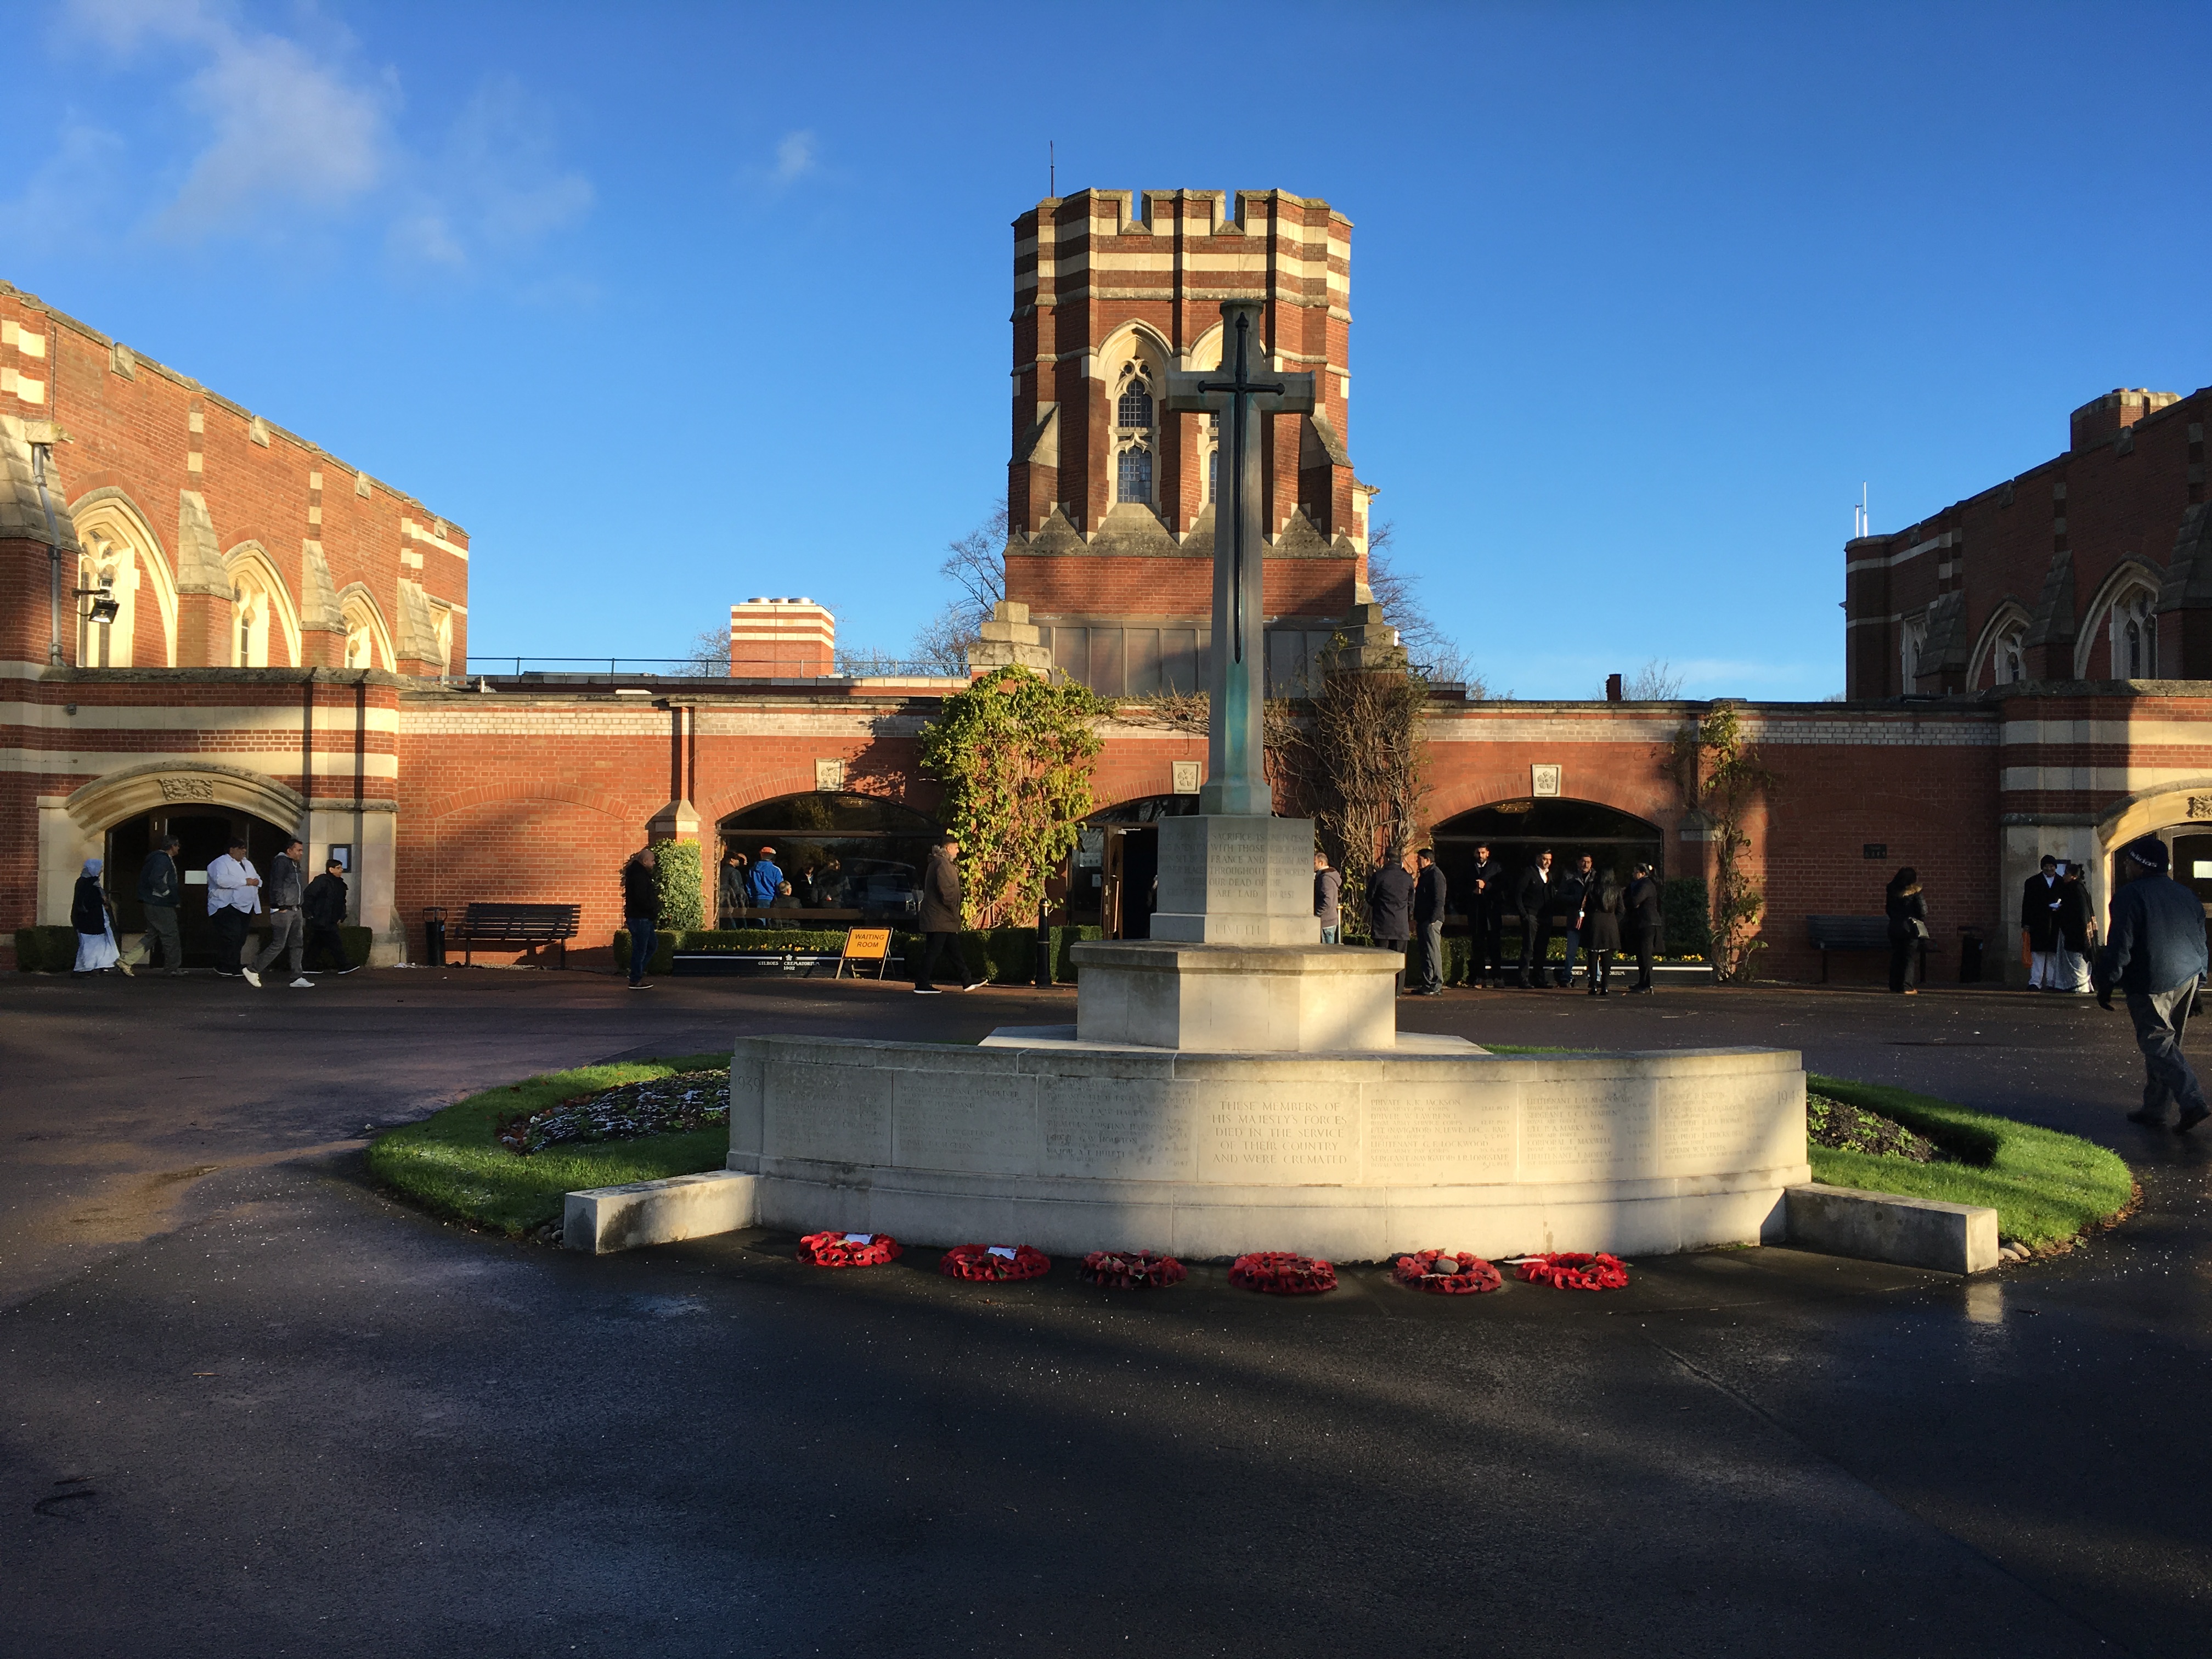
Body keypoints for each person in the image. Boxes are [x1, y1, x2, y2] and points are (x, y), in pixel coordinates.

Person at [2096, 834, 2210, 1133]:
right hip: (2188, 974)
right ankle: (2155, 1108)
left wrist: (2106, 981)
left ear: (2141, 865)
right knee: (2168, 1045)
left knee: (2157, 1043)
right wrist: (2199, 983)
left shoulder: (2129, 895)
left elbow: (2120, 944)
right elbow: (2201, 941)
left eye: (2130, 861)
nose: (2127, 865)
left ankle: (2192, 1100)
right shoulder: (2186, 895)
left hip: (2151, 978)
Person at [915, 835, 985, 993]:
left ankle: (966, 980)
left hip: (941, 917)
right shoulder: (942, 864)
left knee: (953, 950)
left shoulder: (940, 863)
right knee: (934, 950)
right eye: (956, 847)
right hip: (941, 917)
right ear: (948, 849)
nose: (958, 851)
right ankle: (922, 983)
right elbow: (946, 891)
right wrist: (953, 908)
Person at [245, 838, 313, 989]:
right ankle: (252, 969)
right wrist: (281, 905)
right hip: (285, 910)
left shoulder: (294, 863)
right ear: (289, 850)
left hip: (295, 908)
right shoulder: (282, 862)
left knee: (297, 944)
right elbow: (277, 884)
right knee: (279, 944)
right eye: (299, 850)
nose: (301, 853)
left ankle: (297, 976)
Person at [123, 834, 185, 975]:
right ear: (172, 846)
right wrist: (168, 894)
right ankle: (172, 968)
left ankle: (126, 961)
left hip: (152, 902)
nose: (179, 848)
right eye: (177, 846)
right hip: (160, 904)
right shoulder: (163, 860)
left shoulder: (156, 859)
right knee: (171, 935)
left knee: (153, 934)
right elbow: (156, 879)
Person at [206, 837, 262, 978]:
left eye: (245, 848)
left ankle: (233, 965)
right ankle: (225, 966)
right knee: (232, 936)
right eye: (240, 848)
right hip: (226, 905)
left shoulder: (247, 864)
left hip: (246, 906)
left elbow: (256, 878)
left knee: (241, 937)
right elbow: (221, 880)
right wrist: (245, 882)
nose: (244, 851)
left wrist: (256, 881)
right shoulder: (219, 862)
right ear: (231, 850)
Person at [1367, 849, 1416, 994]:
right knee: (1400, 960)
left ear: (1387, 859)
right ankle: (1398, 990)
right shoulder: (1407, 878)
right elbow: (1411, 901)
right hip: (1401, 925)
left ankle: (1382, 990)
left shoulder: (1379, 876)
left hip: (1382, 924)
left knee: (1381, 960)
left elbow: (1370, 897)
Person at [71, 857, 125, 974]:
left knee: (91, 945)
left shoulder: (87, 882)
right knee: (91, 946)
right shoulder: (89, 884)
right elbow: (89, 902)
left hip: (90, 921)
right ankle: (85, 969)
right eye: (100, 868)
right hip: (89, 921)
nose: (101, 870)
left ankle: (85, 968)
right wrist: (102, 902)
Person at [303, 857, 354, 973]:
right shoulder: (322, 881)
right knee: (335, 942)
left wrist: (341, 916)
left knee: (317, 943)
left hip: (330, 918)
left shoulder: (340, 884)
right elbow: (309, 895)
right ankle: (344, 965)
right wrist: (308, 913)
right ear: (331, 869)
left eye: (341, 868)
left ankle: (308, 966)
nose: (341, 870)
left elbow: (341, 902)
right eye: (338, 868)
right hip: (321, 917)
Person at [1514, 849, 1556, 989]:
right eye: (1545, 859)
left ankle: (1539, 978)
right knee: (1529, 948)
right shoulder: (1529, 872)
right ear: (1538, 858)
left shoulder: (1550, 875)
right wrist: (1524, 915)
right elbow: (1518, 894)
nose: (1547, 862)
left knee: (1541, 949)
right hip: (1531, 915)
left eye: (1549, 859)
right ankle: (1523, 979)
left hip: (1545, 916)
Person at [2020, 855, 2063, 991]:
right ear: (2042, 867)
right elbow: (2026, 903)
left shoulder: (2062, 882)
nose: (2049, 868)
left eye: (2052, 866)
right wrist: (2025, 923)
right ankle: (2035, 982)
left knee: (2053, 955)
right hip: (2038, 921)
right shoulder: (2032, 882)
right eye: (2046, 866)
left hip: (2056, 922)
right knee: (2037, 953)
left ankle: (2051, 982)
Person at [1581, 866, 1624, 996]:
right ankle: (1605, 986)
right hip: (1610, 923)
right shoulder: (1616, 889)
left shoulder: (1592, 886)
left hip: (1594, 921)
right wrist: (1613, 920)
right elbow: (1621, 910)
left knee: (1592, 957)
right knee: (1607, 958)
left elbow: (1583, 904)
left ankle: (1593, 985)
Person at [622, 846, 660, 989]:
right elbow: (641, 897)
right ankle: (635, 978)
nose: (654, 863)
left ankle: (635, 973)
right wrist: (651, 909)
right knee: (642, 948)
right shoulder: (639, 876)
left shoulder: (638, 873)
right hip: (640, 917)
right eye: (652, 860)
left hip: (642, 917)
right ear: (645, 861)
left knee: (650, 945)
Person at [1886, 866, 1928, 995]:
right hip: (1910, 928)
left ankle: (1895, 986)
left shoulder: (1891, 891)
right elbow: (1923, 911)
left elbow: (1888, 910)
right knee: (1909, 958)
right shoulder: (1916, 892)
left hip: (1894, 927)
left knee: (1896, 956)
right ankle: (1907, 986)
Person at [2054, 862, 2095, 994]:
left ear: (2073, 876)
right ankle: (2076, 985)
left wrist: (2061, 910)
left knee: (2077, 961)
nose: (2064, 876)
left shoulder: (2075, 889)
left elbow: (2079, 912)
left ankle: (2079, 985)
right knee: (2075, 960)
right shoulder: (2077, 888)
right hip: (2074, 931)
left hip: (2075, 932)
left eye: (2066, 873)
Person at [1468, 842, 1505, 987]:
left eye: (1483, 853)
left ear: (1488, 853)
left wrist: (1486, 886)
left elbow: (1502, 886)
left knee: (1495, 947)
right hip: (1476, 914)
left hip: (1492, 914)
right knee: (1478, 947)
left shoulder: (1496, 868)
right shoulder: (1469, 868)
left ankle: (1497, 977)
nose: (1480, 856)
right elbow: (1461, 886)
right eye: (1478, 853)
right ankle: (1480, 977)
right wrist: (1473, 889)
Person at [1412, 847, 1448, 996]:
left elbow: (1439, 900)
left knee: (1433, 952)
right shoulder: (1426, 875)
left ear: (1427, 860)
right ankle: (1427, 983)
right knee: (1426, 952)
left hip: (1431, 921)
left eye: (1419, 859)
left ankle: (1436, 983)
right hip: (1424, 919)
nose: (1417, 862)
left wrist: (1433, 920)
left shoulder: (1436, 876)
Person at [1557, 853, 1596, 989]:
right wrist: (1576, 899)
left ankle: (1595, 977)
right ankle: (1566, 976)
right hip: (1574, 918)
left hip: (1591, 920)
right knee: (1571, 951)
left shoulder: (1596, 878)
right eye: (1583, 862)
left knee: (1593, 950)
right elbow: (1560, 896)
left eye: (1588, 862)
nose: (1585, 865)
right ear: (1578, 862)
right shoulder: (1569, 877)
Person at [1623, 861, 1662, 993]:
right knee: (1641, 954)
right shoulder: (1639, 885)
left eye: (1636, 872)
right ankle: (1642, 981)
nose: (1633, 875)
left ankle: (1648, 983)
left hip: (1647, 923)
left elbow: (1634, 901)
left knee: (1645, 954)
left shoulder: (1645, 885)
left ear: (1643, 873)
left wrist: (1629, 901)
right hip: (1642, 923)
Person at [1314, 850, 1343, 945]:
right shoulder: (1328, 877)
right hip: (1329, 920)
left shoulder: (1325, 879)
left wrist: (1316, 912)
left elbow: (1328, 901)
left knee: (1326, 953)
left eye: (1315, 863)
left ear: (1321, 863)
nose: (1313, 866)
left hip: (1326, 922)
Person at [718, 848, 749, 926]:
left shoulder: (721, 870)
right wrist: (742, 906)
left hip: (723, 902)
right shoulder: (734, 872)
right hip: (733, 904)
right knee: (739, 926)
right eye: (738, 859)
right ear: (732, 860)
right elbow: (738, 890)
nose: (739, 862)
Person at [748, 845, 785, 911]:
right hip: (772, 899)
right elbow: (780, 886)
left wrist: (752, 898)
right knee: (772, 921)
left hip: (757, 899)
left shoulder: (753, 870)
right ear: (773, 857)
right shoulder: (776, 870)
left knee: (760, 920)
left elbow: (749, 886)